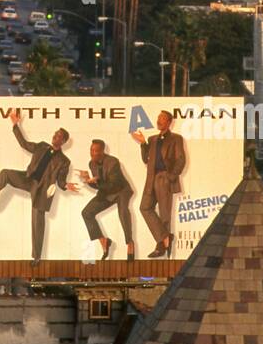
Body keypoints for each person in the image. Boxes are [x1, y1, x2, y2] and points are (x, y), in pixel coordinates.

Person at [0, 107, 78, 263]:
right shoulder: (41, 146)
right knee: (6, 173)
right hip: (28, 179)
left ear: (63, 141)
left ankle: (37, 257)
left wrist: (67, 186)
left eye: (59, 136)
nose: (55, 136)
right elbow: (24, 144)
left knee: (37, 222)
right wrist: (15, 125)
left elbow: (60, 182)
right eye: (55, 134)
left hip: (41, 190)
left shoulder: (64, 161)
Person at [131, 109, 186, 257]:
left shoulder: (176, 138)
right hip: (151, 178)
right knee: (145, 207)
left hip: (164, 177)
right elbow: (146, 159)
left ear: (169, 122)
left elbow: (181, 159)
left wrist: (171, 176)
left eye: (162, 118)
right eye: (158, 117)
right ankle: (165, 237)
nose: (158, 120)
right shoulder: (153, 139)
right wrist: (143, 143)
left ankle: (161, 246)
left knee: (164, 213)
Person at [78, 139, 134, 261]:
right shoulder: (91, 164)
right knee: (86, 213)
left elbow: (113, 185)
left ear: (102, 151)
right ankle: (104, 241)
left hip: (121, 191)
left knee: (123, 212)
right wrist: (88, 180)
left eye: (95, 151)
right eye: (91, 150)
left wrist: (96, 181)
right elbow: (98, 186)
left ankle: (130, 244)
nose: (92, 153)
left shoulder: (113, 162)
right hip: (107, 192)